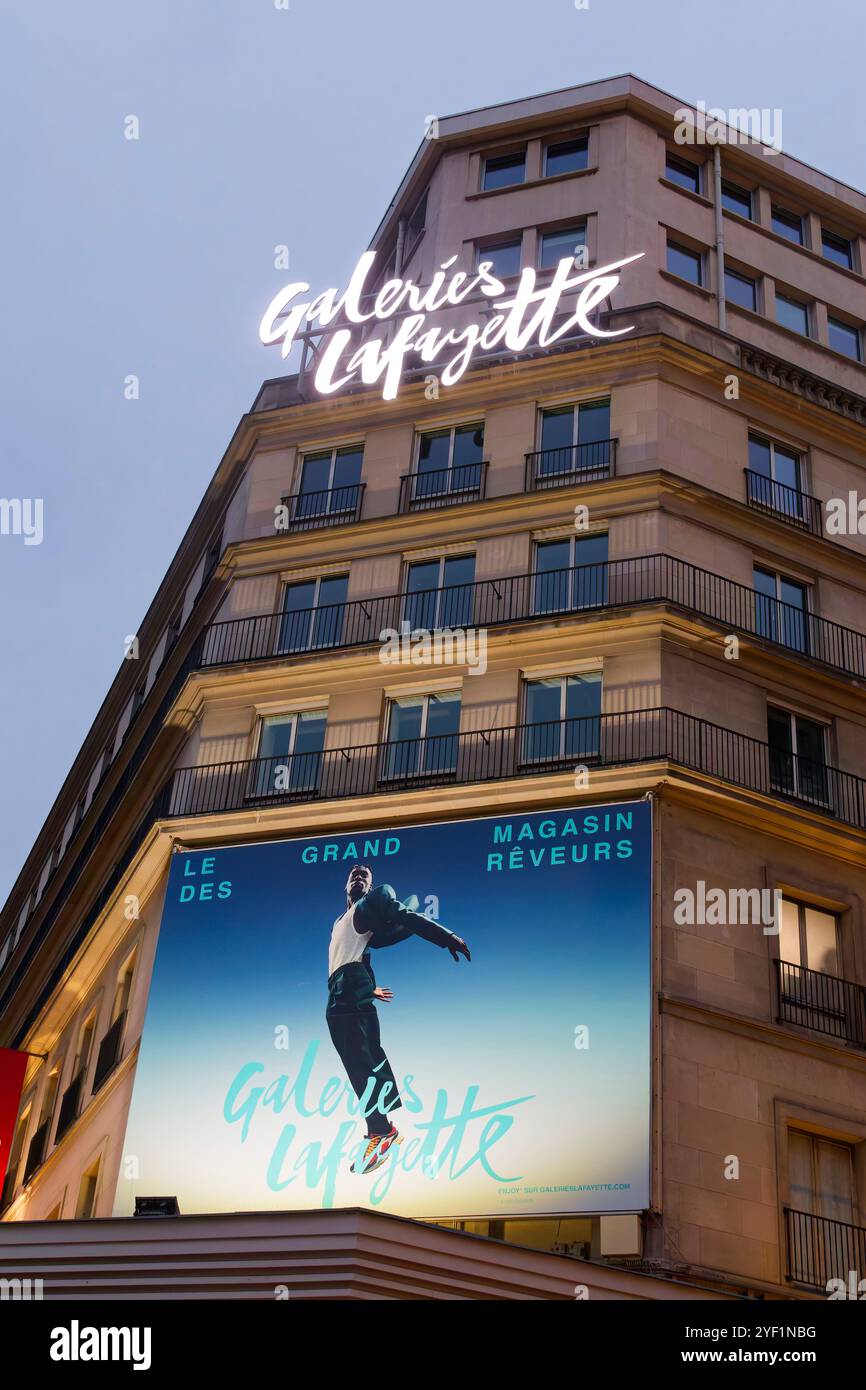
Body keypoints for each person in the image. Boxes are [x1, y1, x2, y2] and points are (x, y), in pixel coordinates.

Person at [326, 862, 471, 1175]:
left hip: (347, 990)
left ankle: (380, 1131)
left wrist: (445, 936)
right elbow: (360, 954)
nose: (358, 876)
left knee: (362, 1058)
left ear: (371, 884)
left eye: (364, 875)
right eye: (353, 874)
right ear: (345, 886)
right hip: (343, 989)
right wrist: (369, 987)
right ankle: (379, 1128)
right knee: (358, 1061)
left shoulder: (374, 900)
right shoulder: (341, 920)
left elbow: (405, 917)